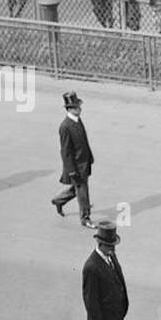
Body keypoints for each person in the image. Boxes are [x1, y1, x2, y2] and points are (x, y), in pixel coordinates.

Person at [51, 91, 96, 228]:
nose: (80, 109)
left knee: (77, 189)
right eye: (77, 107)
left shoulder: (77, 120)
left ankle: (59, 200)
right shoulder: (65, 127)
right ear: (70, 109)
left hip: (84, 161)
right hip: (76, 166)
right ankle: (85, 218)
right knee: (82, 191)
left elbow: (84, 141)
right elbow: (65, 151)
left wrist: (90, 156)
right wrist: (70, 170)